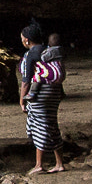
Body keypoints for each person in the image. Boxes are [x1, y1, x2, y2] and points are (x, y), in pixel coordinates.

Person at [18, 23, 66, 174]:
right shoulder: (49, 50)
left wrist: (21, 99)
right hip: (55, 92)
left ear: (27, 40)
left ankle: (39, 164)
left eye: (22, 39)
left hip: (40, 94)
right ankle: (59, 163)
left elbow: (26, 80)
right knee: (51, 125)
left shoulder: (30, 54)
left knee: (40, 126)